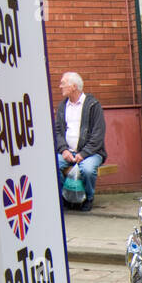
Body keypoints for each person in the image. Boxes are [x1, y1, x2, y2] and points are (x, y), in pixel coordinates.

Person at [54, 72, 106, 211]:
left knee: (88, 170)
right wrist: (64, 150)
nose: (60, 86)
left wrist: (84, 153)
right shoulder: (62, 106)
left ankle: (88, 199)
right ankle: (66, 198)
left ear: (73, 86)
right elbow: (57, 131)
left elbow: (98, 134)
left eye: (63, 83)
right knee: (53, 165)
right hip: (68, 151)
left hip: (91, 153)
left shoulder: (93, 105)